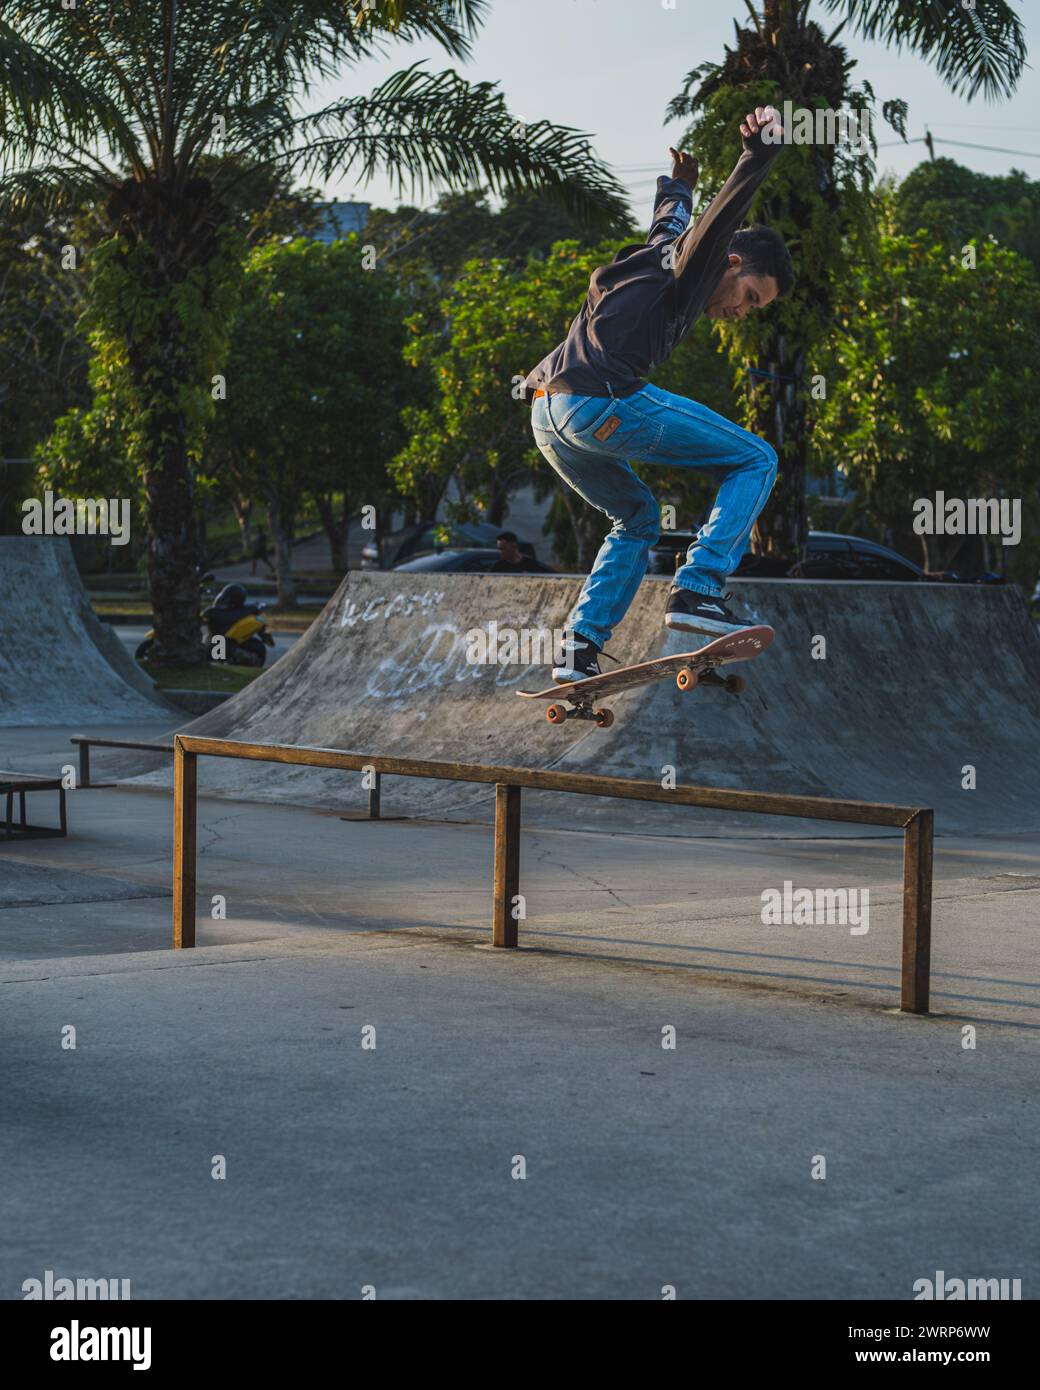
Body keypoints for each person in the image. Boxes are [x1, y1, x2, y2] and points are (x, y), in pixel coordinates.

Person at [523, 104, 793, 682]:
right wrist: (758, 153)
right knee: (757, 457)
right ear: (733, 263)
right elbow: (723, 221)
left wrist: (678, 185)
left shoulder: (667, 256)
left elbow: (669, 224)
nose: (742, 313)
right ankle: (697, 590)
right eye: (750, 296)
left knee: (637, 520)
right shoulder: (699, 267)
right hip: (602, 403)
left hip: (550, 417)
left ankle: (578, 647)